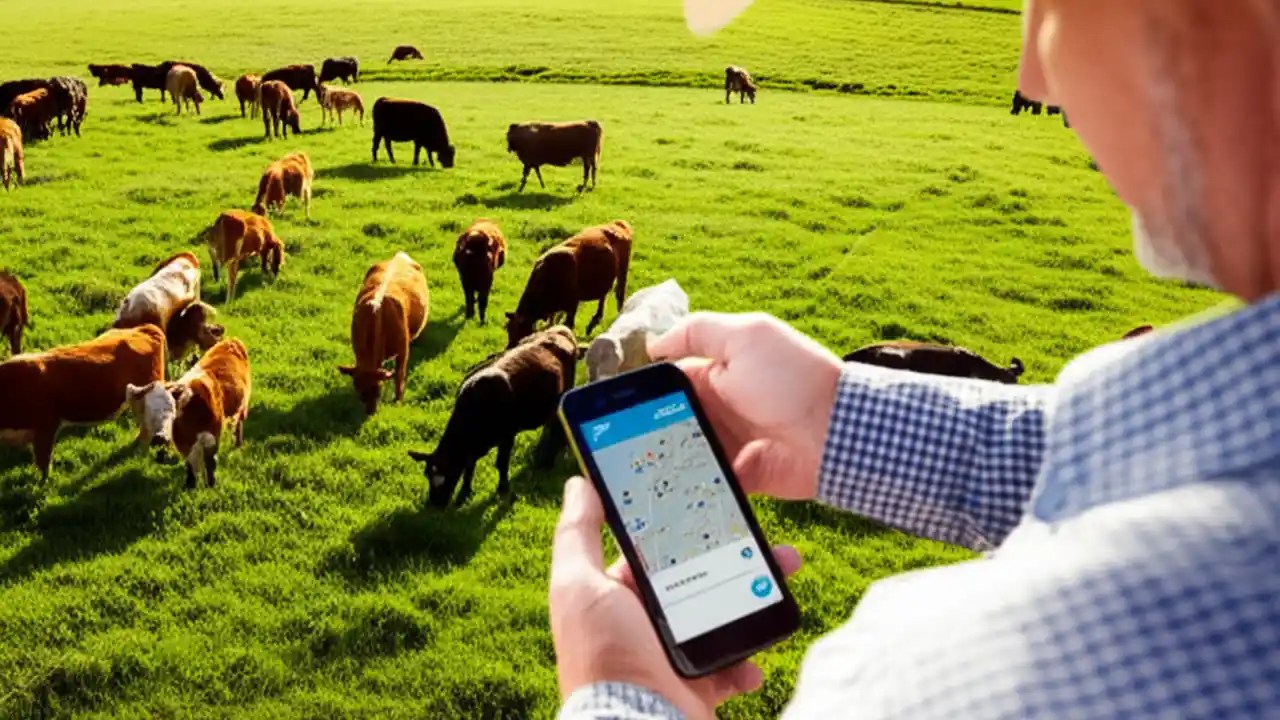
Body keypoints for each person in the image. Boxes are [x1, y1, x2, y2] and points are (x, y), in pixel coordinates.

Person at [549, 0, 1280, 718]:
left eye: (1054, 9)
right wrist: (836, 411)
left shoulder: (939, 682)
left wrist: (616, 687)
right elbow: (1217, 445)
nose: (1033, 77)